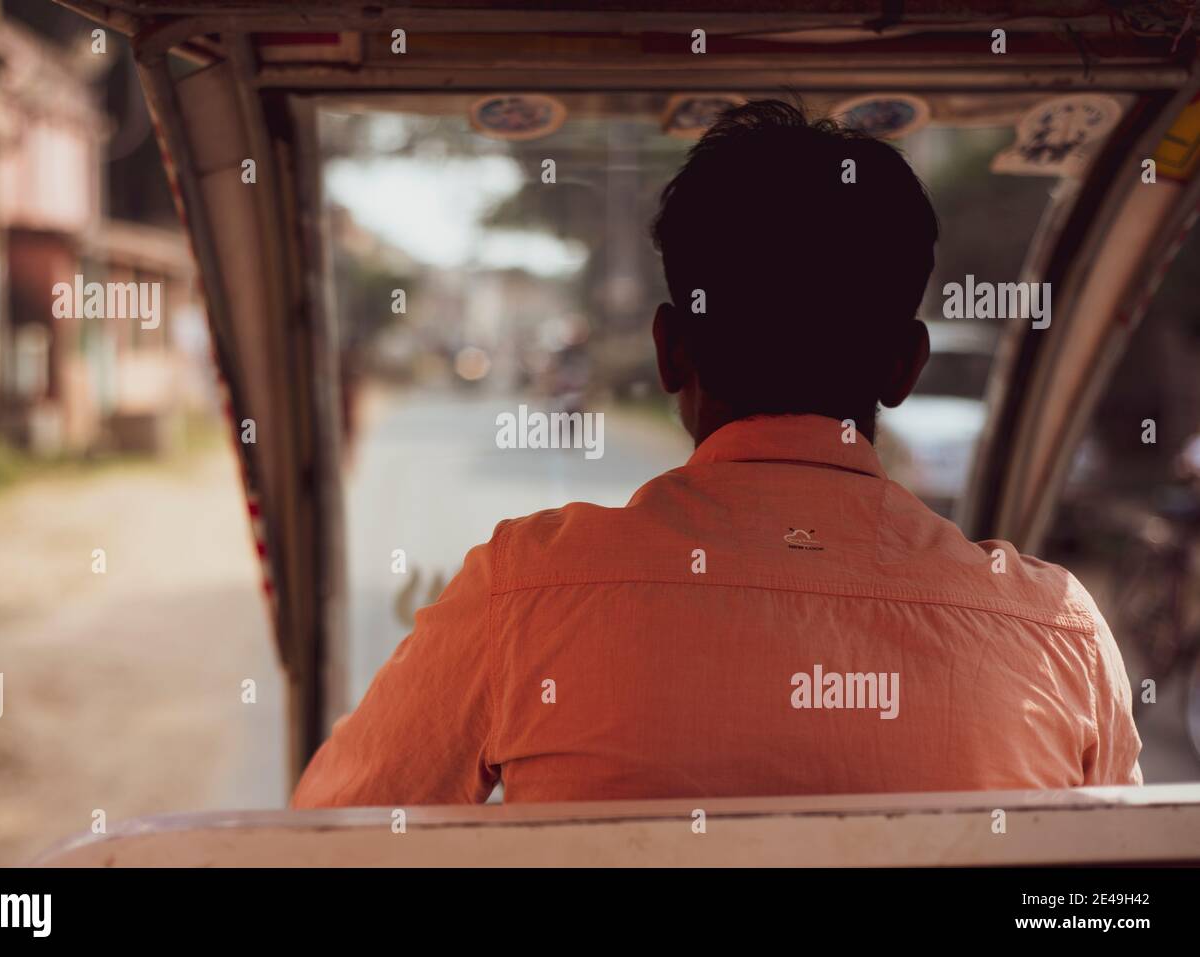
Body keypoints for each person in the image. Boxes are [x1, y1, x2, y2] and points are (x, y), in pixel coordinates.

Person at [293, 99, 1141, 808]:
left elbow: (326, 837)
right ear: (905, 367)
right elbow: (1117, 892)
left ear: (670, 353)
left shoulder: (526, 592)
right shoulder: (1056, 633)